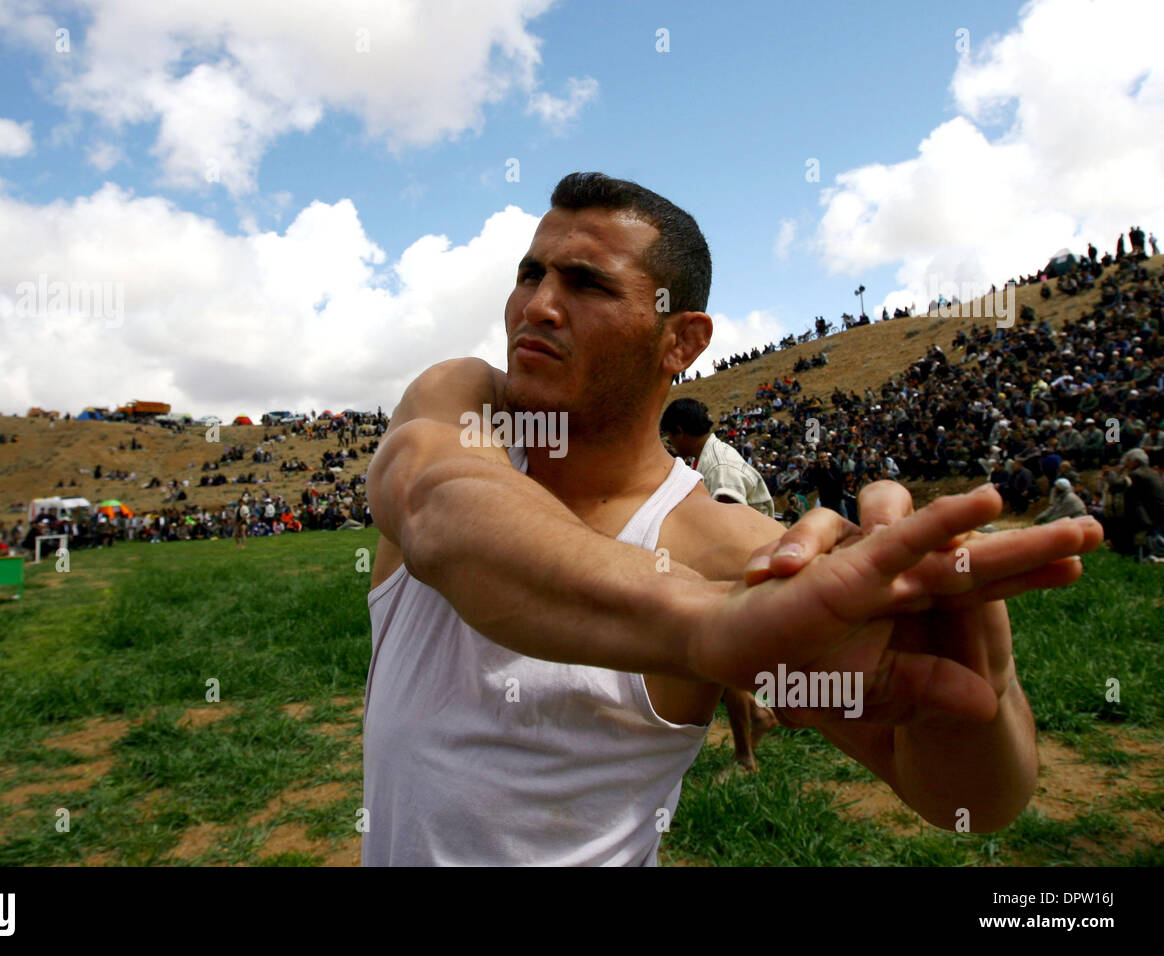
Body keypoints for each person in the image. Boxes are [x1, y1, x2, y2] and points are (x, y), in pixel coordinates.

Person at [361, 171, 1101, 866]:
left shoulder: (738, 555)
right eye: (531, 274)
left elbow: (973, 805)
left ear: (680, 341)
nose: (538, 306)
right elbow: (439, 506)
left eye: (586, 284)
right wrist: (703, 624)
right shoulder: (462, 401)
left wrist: (973, 690)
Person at [660, 397, 777, 773]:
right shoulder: (708, 457)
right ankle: (757, 716)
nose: (672, 447)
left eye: (671, 438)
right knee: (723, 660)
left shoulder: (719, 466)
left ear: (680, 431)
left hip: (749, 564)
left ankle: (745, 757)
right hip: (749, 563)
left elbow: (727, 529)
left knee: (723, 661)